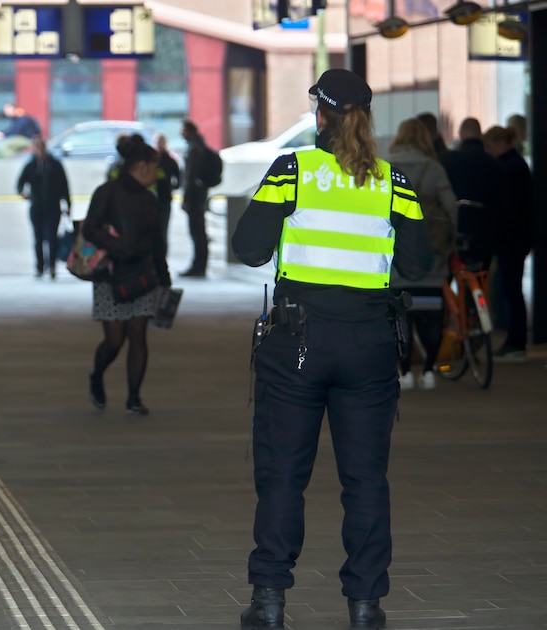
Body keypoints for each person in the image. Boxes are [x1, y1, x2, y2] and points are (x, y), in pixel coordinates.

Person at [231, 69, 433, 630]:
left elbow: (248, 249)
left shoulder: (293, 170)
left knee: (282, 477)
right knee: (365, 480)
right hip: (369, 348)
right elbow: (419, 264)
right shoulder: (395, 183)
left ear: (319, 115)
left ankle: (270, 602)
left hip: (298, 343)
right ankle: (366, 605)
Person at [82, 134, 170, 415]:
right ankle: (97, 373)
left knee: (138, 334)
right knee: (115, 339)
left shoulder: (149, 199)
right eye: (154, 169)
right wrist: (118, 248)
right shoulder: (106, 192)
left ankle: (134, 397)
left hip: (143, 275)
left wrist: (163, 274)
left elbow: (158, 240)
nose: (157, 175)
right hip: (111, 274)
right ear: (141, 166)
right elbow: (90, 229)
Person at [388, 118, 458, 390]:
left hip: (396, 257)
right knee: (431, 316)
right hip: (432, 253)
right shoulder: (434, 168)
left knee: (400, 317)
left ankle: (404, 371)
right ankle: (428, 370)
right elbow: (452, 209)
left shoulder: (386, 168)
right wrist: (451, 240)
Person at [483, 125, 533, 363]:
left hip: (511, 239)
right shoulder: (518, 165)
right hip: (519, 237)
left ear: (499, 143)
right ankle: (515, 341)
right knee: (512, 291)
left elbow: (506, 208)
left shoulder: (508, 168)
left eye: (490, 146)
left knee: (512, 291)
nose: (489, 151)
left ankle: (516, 342)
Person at [439, 118, 503, 267]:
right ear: (480, 135)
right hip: (484, 235)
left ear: (461, 134)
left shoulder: (446, 160)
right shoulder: (495, 164)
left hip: (451, 234)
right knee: (479, 281)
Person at [17, 136, 71, 279]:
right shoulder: (31, 166)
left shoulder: (55, 165)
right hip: (36, 207)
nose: (40, 149)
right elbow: (20, 183)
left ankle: (52, 266)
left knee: (51, 238)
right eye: (37, 146)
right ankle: (40, 267)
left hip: (53, 207)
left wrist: (68, 204)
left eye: (42, 146)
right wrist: (23, 192)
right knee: (38, 239)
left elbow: (64, 186)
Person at [180, 120, 212, 278]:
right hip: (200, 195)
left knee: (197, 232)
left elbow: (190, 176)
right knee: (199, 231)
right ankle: (199, 264)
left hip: (195, 198)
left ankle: (198, 265)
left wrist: (186, 198)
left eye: (183, 130)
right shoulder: (200, 146)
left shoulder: (194, 149)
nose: (181, 133)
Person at [155, 133, 182, 257]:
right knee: (162, 229)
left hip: (160, 197)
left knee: (161, 229)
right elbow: (179, 178)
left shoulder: (155, 159)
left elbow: (179, 177)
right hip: (163, 197)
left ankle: (160, 255)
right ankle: (161, 255)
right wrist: (172, 187)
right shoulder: (168, 159)